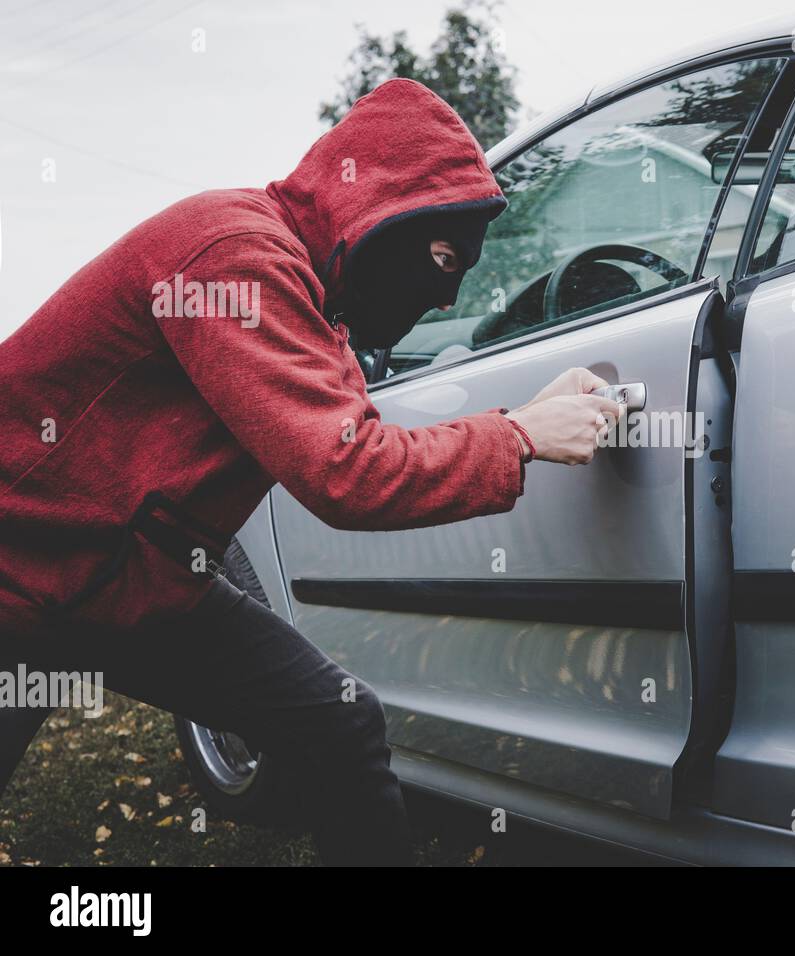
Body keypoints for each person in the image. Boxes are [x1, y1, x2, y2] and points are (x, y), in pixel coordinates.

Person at [0, 78, 621, 865]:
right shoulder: (234, 256)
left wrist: (527, 414)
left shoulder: (311, 310)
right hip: (20, 576)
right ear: (383, 209)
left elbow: (364, 436)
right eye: (442, 260)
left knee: (336, 721)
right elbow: (347, 472)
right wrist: (519, 436)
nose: (447, 295)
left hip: (129, 586)